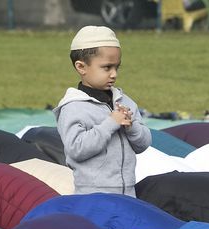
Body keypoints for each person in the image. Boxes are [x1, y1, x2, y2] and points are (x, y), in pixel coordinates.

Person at [55, 26, 151, 196]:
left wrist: (131, 127)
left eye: (117, 67)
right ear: (81, 67)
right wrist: (110, 124)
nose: (114, 74)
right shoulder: (73, 107)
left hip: (128, 192)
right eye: (107, 68)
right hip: (92, 196)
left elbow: (143, 144)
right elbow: (76, 149)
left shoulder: (124, 102)